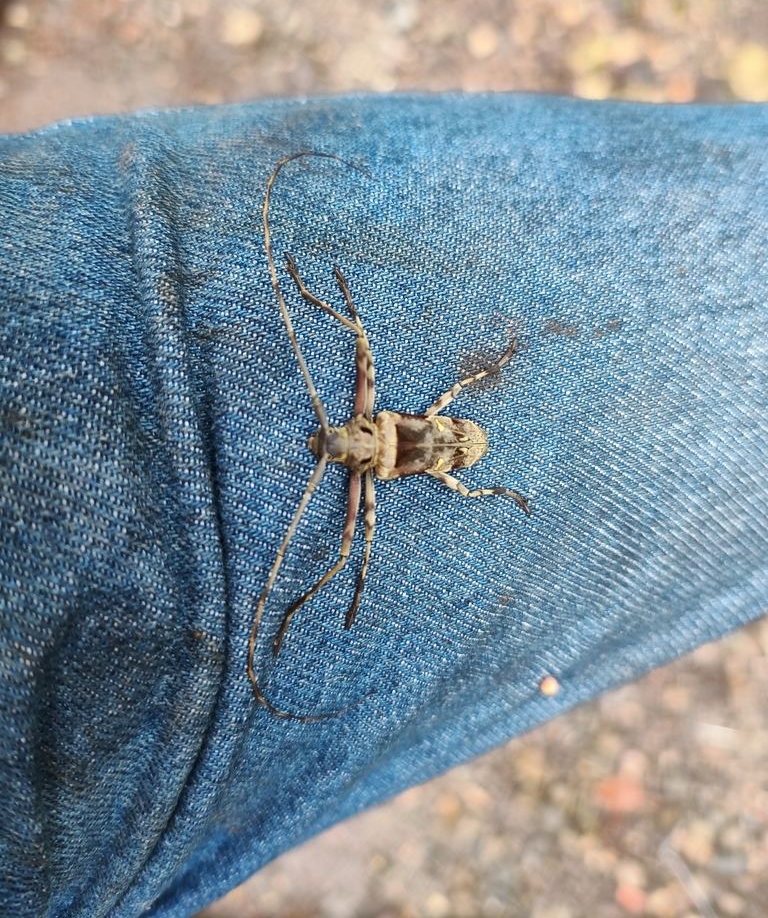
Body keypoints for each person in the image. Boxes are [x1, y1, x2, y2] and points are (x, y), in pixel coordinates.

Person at [1, 92, 766, 918]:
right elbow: (357, 446)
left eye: (345, 439)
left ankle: (424, 481)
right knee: (353, 516)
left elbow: (363, 363)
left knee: (373, 481)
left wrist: (332, 313)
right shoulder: (367, 452)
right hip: (439, 441)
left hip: (457, 442)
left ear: (361, 435)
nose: (340, 442)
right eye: (346, 441)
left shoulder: (376, 449)